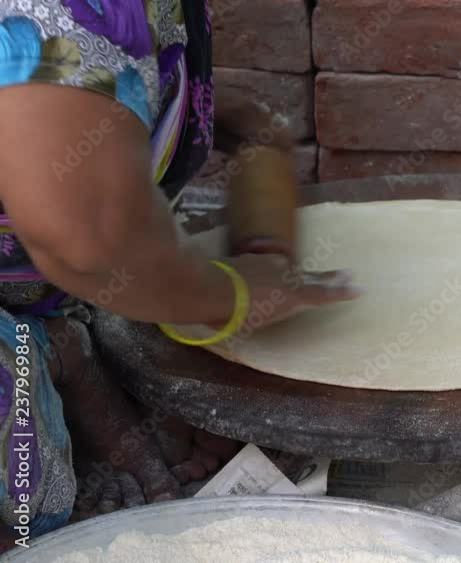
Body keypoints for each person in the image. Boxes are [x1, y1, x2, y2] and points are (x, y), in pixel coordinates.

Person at [0, 0, 358, 545]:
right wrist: (231, 296)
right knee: (29, 506)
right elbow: (84, 247)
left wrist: (192, 114)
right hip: (63, 255)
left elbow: (72, 103)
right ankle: (55, 352)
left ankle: (59, 347)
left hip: (45, 267)